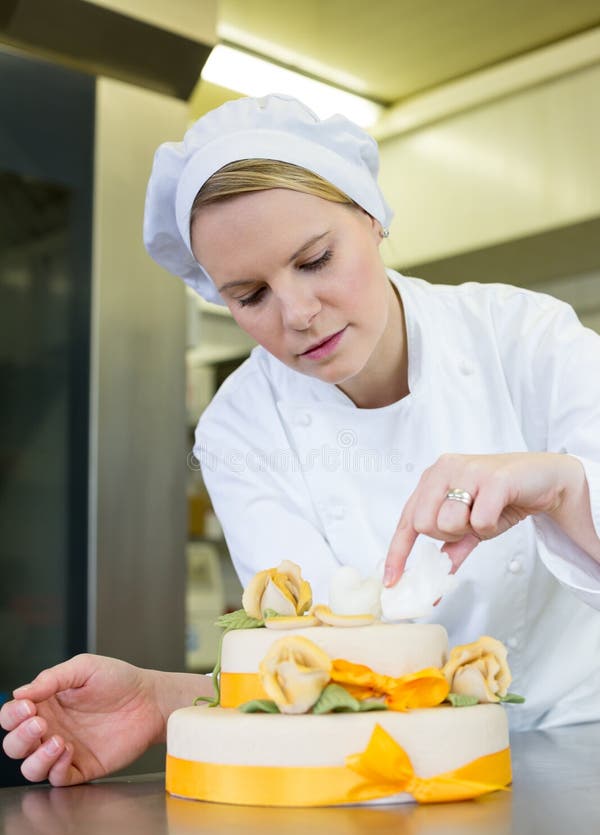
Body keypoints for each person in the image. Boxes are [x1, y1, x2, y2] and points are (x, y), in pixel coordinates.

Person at [2, 94, 600, 787]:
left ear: (370, 214)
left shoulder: (523, 336)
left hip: (586, 739)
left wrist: (563, 488)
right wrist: (171, 700)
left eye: (314, 260)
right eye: (250, 295)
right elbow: (321, 667)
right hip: (391, 770)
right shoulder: (242, 426)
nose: (299, 314)